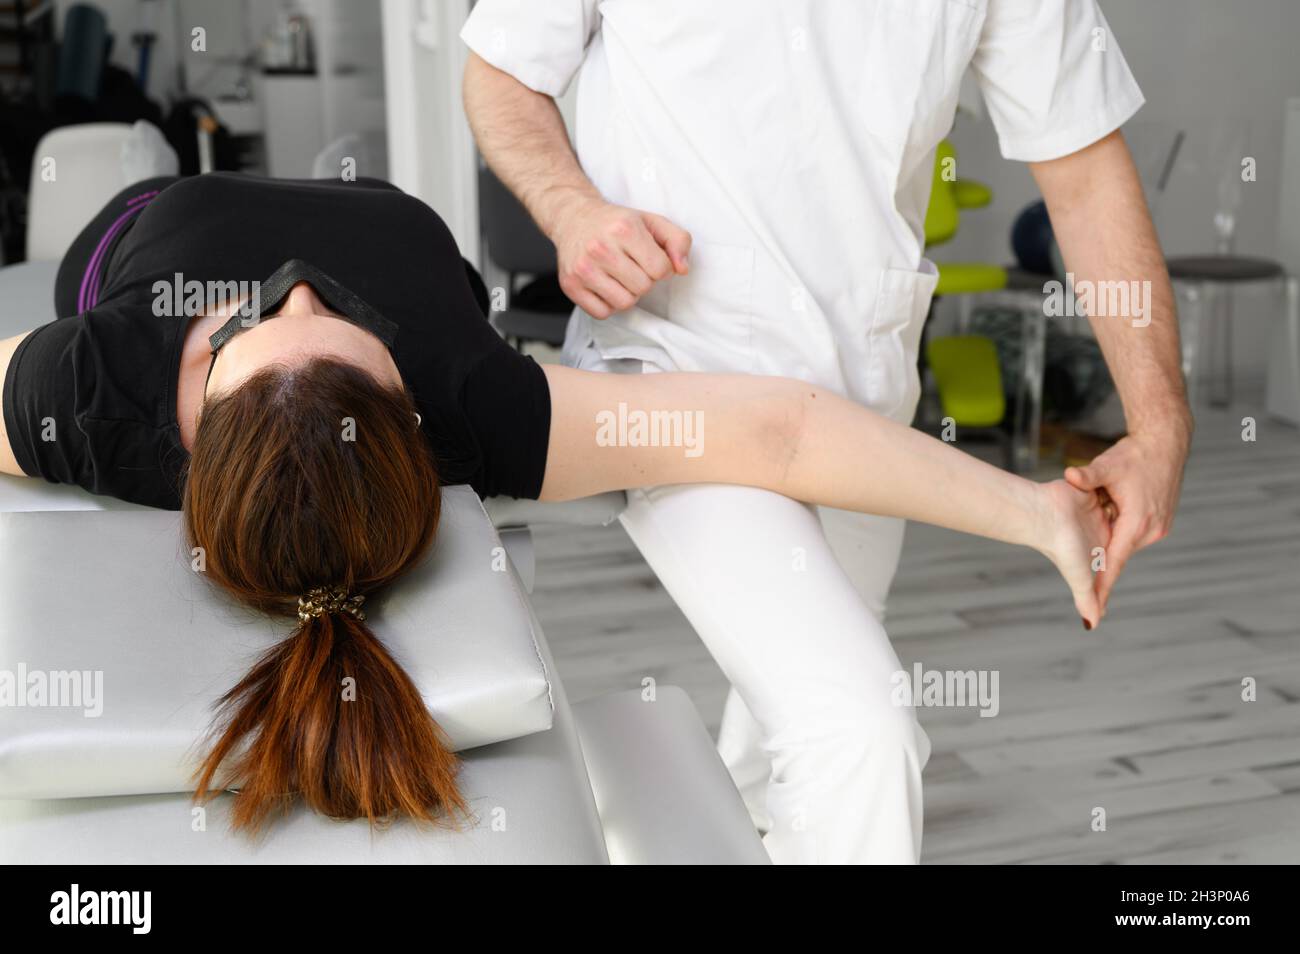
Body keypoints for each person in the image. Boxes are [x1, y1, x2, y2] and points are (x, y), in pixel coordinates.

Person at [1, 172, 1108, 833]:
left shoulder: (89, 389)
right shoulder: (473, 405)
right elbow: (777, 429)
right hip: (389, 215)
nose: (296, 280)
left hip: (149, 219)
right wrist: (1037, 513)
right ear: (412, 414)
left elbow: (782, 430)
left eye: (258, 323)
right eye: (312, 313)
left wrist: (1040, 516)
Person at [459, 0, 1192, 862]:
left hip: (860, 399)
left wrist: (1159, 422)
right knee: (857, 731)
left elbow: (1085, 172)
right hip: (676, 377)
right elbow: (501, 70)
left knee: (789, 738)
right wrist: (572, 209)